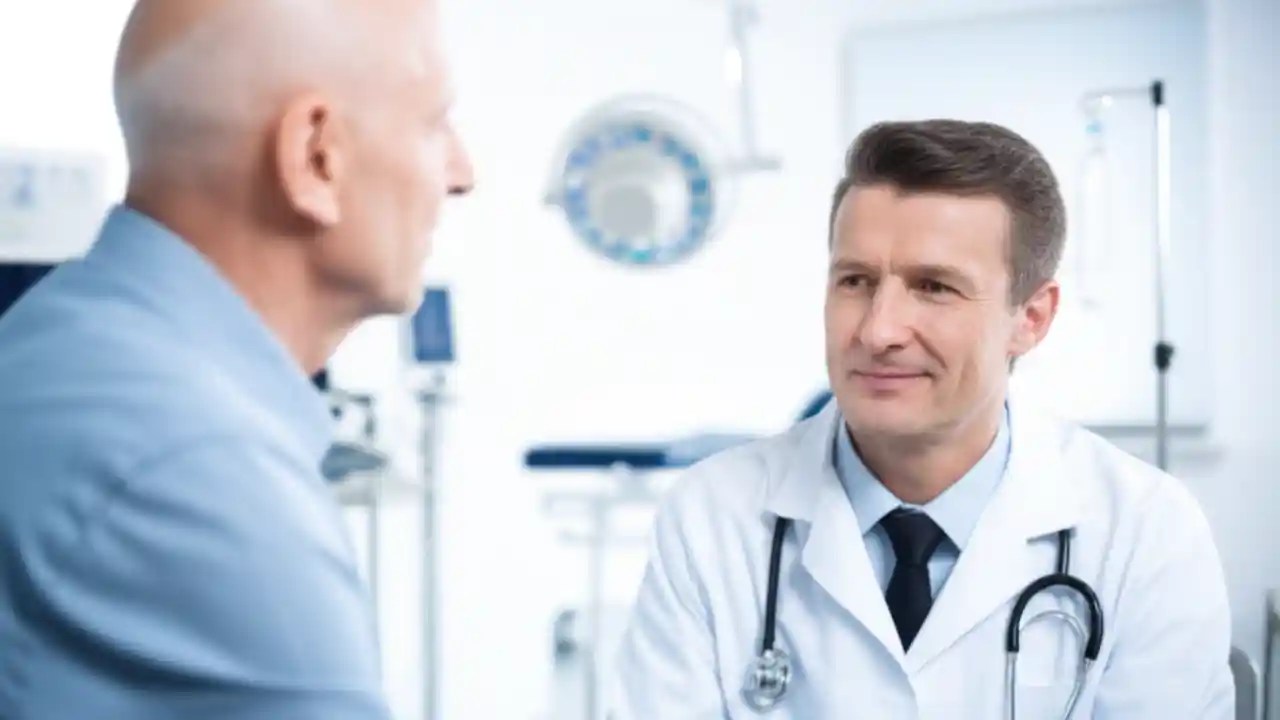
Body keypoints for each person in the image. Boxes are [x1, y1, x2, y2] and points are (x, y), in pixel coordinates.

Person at [611, 120, 1234, 718]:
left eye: (934, 287)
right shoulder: (710, 519)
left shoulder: (1146, 531)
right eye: (855, 280)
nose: (878, 330)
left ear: (1032, 318)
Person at [0, 0, 472, 717]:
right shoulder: (194, 465)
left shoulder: (62, 344)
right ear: (314, 155)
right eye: (434, 125)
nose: (463, 174)